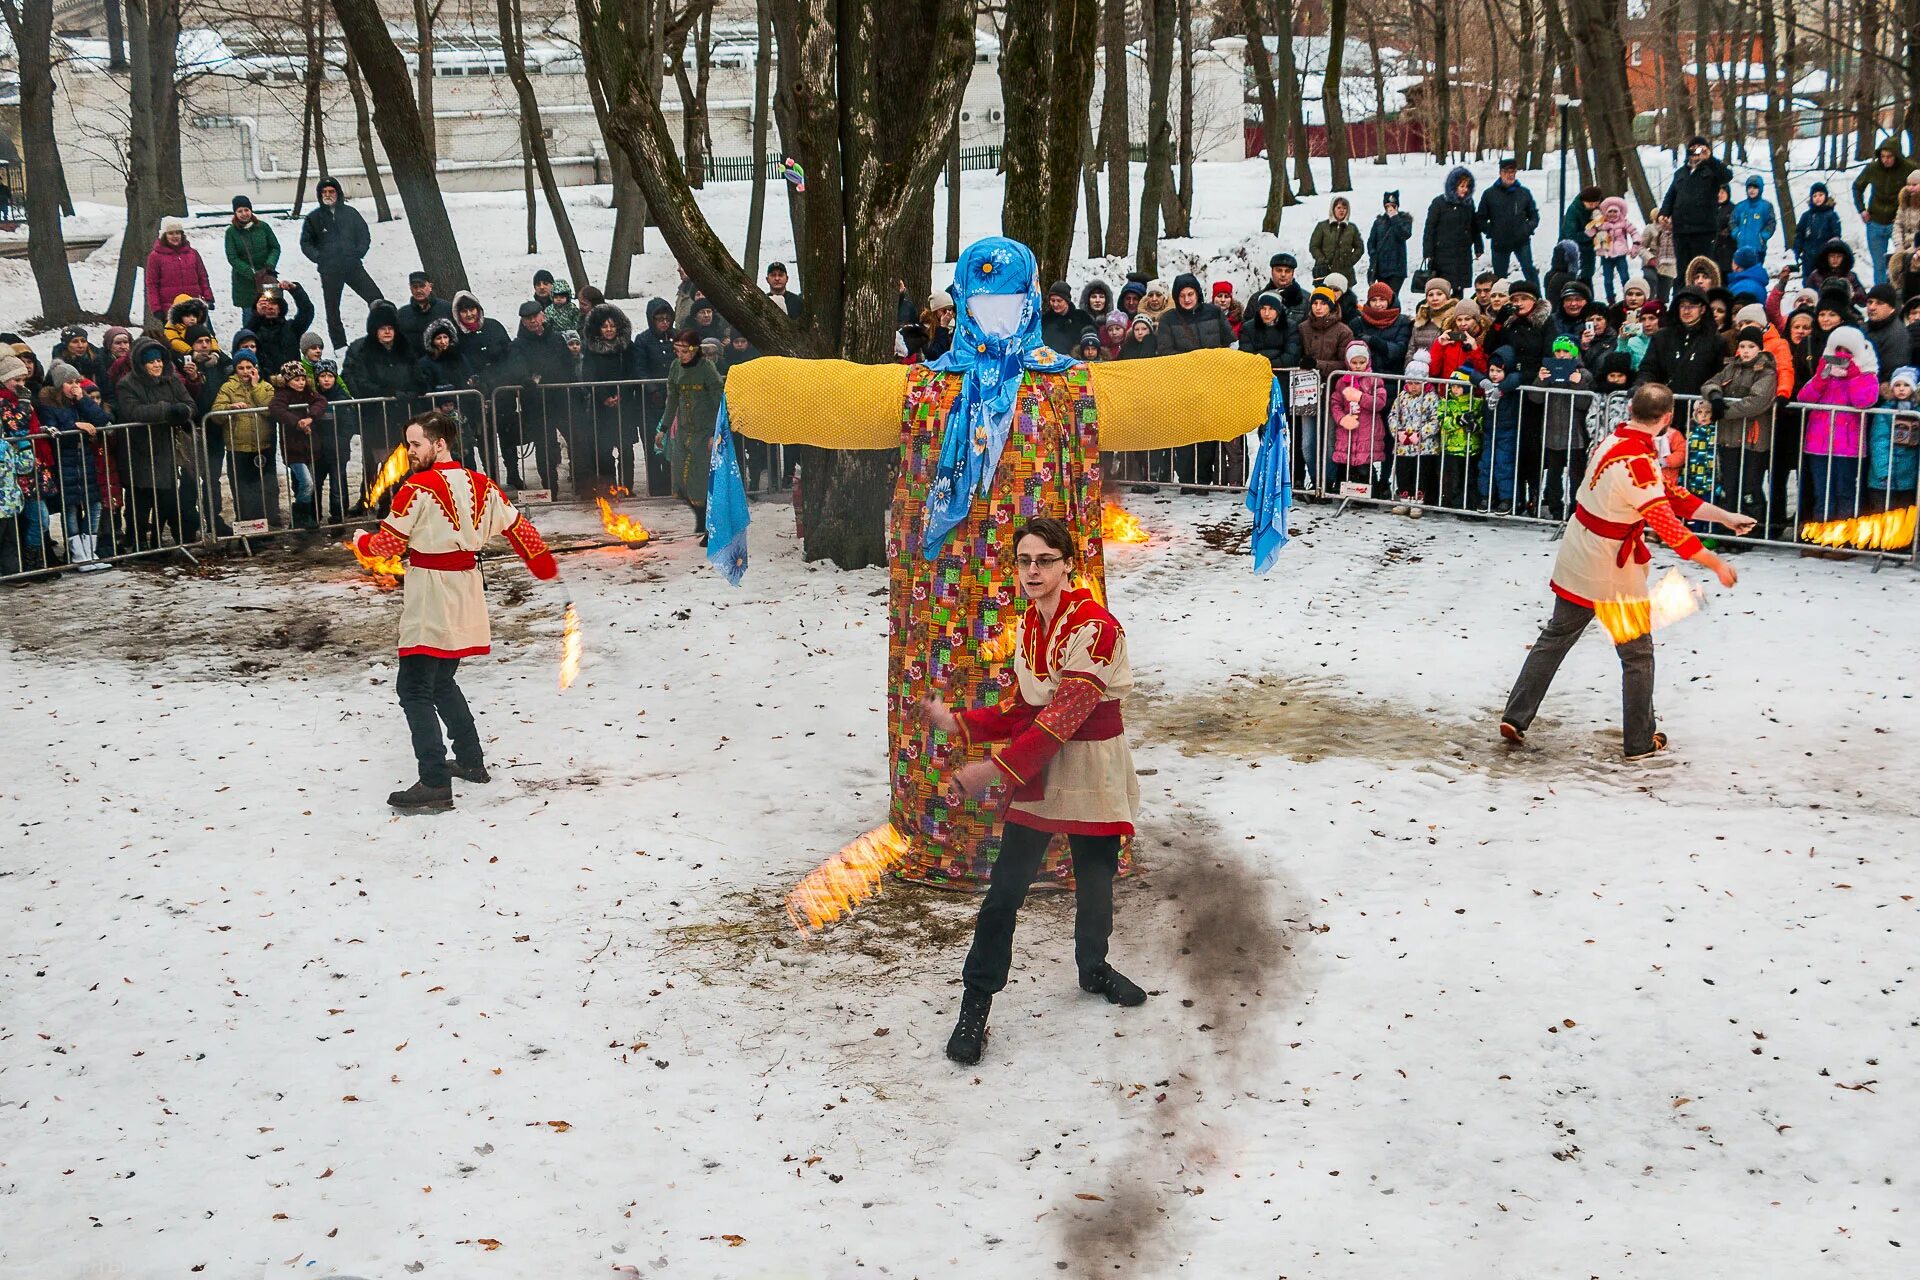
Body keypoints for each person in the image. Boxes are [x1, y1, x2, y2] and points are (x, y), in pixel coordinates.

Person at [924, 516, 1145, 1066]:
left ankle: (1093, 967)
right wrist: (961, 724)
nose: (1032, 571)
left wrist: (993, 770)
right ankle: (976, 1003)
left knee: (1095, 880)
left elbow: (1065, 715)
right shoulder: (1029, 623)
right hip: (1040, 768)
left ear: (1069, 565)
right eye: (1024, 560)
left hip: (1091, 767)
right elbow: (1026, 707)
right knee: (1005, 891)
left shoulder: (1096, 628)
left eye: (1045, 560)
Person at [1500, 383, 1749, 760]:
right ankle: (1639, 740)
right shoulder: (1639, 462)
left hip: (1579, 552)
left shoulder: (1613, 441)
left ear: (1631, 408)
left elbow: (1669, 496)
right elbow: (1668, 525)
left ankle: (1516, 716)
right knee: (1636, 654)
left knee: (1556, 636)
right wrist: (1716, 564)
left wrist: (1724, 517)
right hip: (1612, 568)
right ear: (1668, 418)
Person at [352, 411, 558, 812]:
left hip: (432, 596)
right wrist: (542, 564)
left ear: (440, 443)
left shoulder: (417, 488)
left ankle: (434, 782)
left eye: (416, 444)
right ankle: (470, 761)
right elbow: (520, 529)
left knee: (414, 688)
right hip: (466, 592)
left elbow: (385, 547)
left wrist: (361, 541)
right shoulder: (483, 484)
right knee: (442, 681)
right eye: (408, 444)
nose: (410, 452)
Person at [113, 337, 197, 550]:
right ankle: (138, 541)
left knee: (166, 497)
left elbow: (189, 403)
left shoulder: (171, 379)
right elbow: (133, 411)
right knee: (141, 500)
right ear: (141, 364)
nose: (157, 365)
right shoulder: (127, 384)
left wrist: (184, 411)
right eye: (151, 362)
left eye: (159, 360)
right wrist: (167, 410)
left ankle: (160, 541)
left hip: (166, 447)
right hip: (139, 449)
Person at [344, 300, 424, 507]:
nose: (387, 332)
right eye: (382, 328)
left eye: (390, 328)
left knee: (401, 460)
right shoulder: (363, 350)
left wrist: (411, 392)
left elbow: (418, 376)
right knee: (373, 461)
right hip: (375, 416)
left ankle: (396, 501)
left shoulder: (405, 348)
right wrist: (384, 392)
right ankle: (369, 499)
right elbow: (357, 380)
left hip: (402, 415)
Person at [1696, 326, 1778, 526]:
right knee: (1729, 486)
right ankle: (1727, 529)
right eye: (1742, 346)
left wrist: (1722, 411)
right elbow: (1709, 383)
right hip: (1729, 438)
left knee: (1750, 487)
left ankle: (1753, 528)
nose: (1746, 351)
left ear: (1759, 348)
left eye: (1751, 346)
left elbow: (1757, 401)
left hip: (1753, 439)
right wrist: (1715, 396)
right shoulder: (1731, 367)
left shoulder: (1766, 372)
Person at [1799, 325, 1880, 525]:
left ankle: (1843, 536)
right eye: (1838, 350)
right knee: (1822, 494)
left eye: (1848, 351)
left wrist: (1854, 376)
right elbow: (1804, 397)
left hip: (1847, 448)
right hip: (1818, 445)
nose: (1842, 355)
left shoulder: (1867, 374)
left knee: (1845, 493)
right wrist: (1821, 378)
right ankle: (1821, 535)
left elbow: (1864, 401)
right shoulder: (1825, 374)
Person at [36, 361, 114, 571]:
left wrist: (83, 400)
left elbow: (101, 419)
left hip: (85, 460)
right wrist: (75, 426)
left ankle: (90, 551)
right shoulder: (47, 403)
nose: (74, 386)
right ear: (59, 384)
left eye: (77, 382)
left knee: (94, 504)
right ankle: (78, 554)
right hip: (65, 461)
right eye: (69, 382)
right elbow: (52, 430)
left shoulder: (80, 401)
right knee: (70, 508)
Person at [656, 329, 725, 544]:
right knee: (681, 482)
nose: (680, 355)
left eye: (684, 351)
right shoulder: (675, 367)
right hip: (684, 431)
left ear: (695, 350)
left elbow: (719, 402)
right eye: (677, 351)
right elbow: (672, 399)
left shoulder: (707, 369)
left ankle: (710, 528)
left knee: (700, 482)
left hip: (704, 433)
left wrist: (716, 433)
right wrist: (663, 428)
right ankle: (700, 519)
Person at [300, 177, 381, 349]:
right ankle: (340, 346)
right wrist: (319, 257)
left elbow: (364, 235)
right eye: (324, 192)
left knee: (377, 300)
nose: (328, 195)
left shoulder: (351, 214)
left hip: (352, 266)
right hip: (329, 270)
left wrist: (359, 252)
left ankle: (381, 336)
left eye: (331, 191)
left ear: (338, 193)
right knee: (332, 310)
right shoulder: (314, 218)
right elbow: (306, 243)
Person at [509, 300, 575, 494]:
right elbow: (518, 369)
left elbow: (568, 365)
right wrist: (527, 379)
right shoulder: (519, 345)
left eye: (535, 316)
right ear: (523, 321)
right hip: (536, 403)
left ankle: (581, 481)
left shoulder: (556, 339)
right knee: (544, 447)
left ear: (542, 316)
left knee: (576, 439)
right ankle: (550, 487)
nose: (533, 321)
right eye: (528, 318)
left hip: (561, 399)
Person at [580, 301, 639, 497]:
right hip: (601, 407)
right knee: (604, 450)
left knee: (626, 449)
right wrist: (604, 396)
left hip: (624, 404)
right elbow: (588, 375)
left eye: (612, 326)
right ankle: (610, 486)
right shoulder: (591, 349)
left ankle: (627, 487)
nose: (609, 330)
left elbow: (633, 372)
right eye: (605, 326)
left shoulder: (627, 347)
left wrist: (622, 393)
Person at [214, 351, 280, 527]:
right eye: (241, 368)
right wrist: (230, 408)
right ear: (235, 369)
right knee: (243, 492)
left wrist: (256, 387)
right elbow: (216, 413)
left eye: (249, 367)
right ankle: (247, 529)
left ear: (255, 368)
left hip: (262, 446)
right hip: (238, 448)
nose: (245, 371)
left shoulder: (266, 387)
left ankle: (263, 529)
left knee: (262, 491)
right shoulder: (228, 388)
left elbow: (271, 409)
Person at [1659, 138, 1734, 272]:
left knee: (1701, 269)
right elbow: (1671, 195)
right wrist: (1664, 213)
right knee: (1683, 270)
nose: (1696, 151)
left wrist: (1710, 159)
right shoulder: (1680, 173)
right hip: (1681, 231)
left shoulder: (1712, 170)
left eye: (1700, 147)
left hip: (1703, 231)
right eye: (1693, 147)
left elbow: (1727, 176)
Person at [269, 361, 327, 530]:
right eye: (296, 380)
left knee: (310, 483)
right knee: (307, 483)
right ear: (287, 381)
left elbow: (321, 401)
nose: (301, 382)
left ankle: (302, 517)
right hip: (293, 448)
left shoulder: (308, 392)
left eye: (302, 379)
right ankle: (300, 514)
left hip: (310, 447)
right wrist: (297, 422)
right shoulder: (282, 394)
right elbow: (275, 408)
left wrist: (310, 417)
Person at [1852, 139, 1918, 287]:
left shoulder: (1908, 167)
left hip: (1898, 220)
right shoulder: (1873, 168)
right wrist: (1861, 209)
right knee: (1879, 264)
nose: (1885, 160)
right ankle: (1881, 293)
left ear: (1896, 155)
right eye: (1882, 156)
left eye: (1889, 156)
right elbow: (1857, 186)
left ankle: (1901, 290)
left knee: (1903, 261)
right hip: (1875, 220)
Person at [1638, 287, 1725, 395]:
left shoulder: (1715, 340)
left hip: (1699, 402)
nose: (1686, 311)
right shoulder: (1662, 337)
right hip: (1664, 400)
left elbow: (1719, 375)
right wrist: (1641, 384)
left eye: (1692, 306)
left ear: (1702, 309)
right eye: (1682, 306)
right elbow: (1648, 368)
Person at [1328, 341, 1389, 495]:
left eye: (1361, 362)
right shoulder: (1343, 381)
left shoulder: (1374, 379)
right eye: (1354, 363)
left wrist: (1361, 397)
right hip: (1347, 431)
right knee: (1346, 463)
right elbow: (1335, 403)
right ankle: (1347, 491)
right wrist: (1342, 419)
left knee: (1364, 465)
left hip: (1367, 431)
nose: (1358, 366)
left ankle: (1369, 493)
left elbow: (1380, 402)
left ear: (1368, 361)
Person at [1388, 353, 1441, 513]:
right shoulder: (1402, 396)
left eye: (1417, 383)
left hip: (1424, 446)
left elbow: (1436, 420)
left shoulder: (1431, 398)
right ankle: (1404, 498)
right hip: (1403, 444)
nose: (1413, 387)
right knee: (1403, 472)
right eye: (1410, 382)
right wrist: (1398, 432)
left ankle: (1418, 501)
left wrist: (1421, 434)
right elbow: (1393, 415)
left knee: (1421, 473)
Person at [1479, 158, 1542, 288]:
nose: (1510, 175)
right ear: (1500, 173)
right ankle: (1500, 298)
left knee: (1529, 271)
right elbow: (1480, 218)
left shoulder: (1524, 193)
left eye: (1512, 171)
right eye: (1506, 172)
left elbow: (1534, 216)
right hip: (1500, 242)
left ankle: (1537, 296)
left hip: (1521, 240)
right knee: (1499, 278)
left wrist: (1527, 229)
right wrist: (1492, 232)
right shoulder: (1489, 194)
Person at [1866, 365, 1919, 513]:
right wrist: (1883, 473)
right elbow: (1879, 442)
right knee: (1882, 515)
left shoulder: (1917, 412)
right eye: (1897, 385)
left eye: (1906, 385)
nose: (1901, 389)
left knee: (1904, 516)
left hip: (1908, 477)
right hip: (1882, 479)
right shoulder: (1885, 411)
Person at [144, 218, 214, 326]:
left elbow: (202, 277)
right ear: (164, 235)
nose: (175, 236)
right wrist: (156, 308)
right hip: (170, 309)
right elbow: (152, 284)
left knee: (202, 335)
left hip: (194, 307)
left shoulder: (193, 254)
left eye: (178, 233)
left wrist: (208, 297)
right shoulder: (155, 257)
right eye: (171, 233)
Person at [224, 196, 281, 327]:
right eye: (240, 211)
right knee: (250, 316)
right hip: (245, 281)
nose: (244, 214)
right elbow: (232, 257)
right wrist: (250, 272)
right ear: (235, 213)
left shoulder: (263, 227)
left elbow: (275, 247)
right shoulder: (231, 232)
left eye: (246, 210)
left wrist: (270, 264)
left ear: (251, 210)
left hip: (267, 277)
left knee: (271, 311)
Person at [312, 359, 357, 526]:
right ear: (317, 378)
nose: (326, 379)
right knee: (316, 484)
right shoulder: (313, 397)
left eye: (330, 376)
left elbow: (348, 425)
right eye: (322, 376)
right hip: (318, 450)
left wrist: (341, 441)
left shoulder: (342, 397)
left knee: (338, 485)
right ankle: (314, 515)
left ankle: (338, 517)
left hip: (338, 449)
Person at [1423, 167, 1481, 295]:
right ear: (1453, 186)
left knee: (1459, 287)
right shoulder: (1439, 203)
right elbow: (1430, 228)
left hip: (1462, 254)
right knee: (1442, 287)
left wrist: (1478, 246)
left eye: (1467, 186)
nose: (1465, 190)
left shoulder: (1468, 204)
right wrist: (1428, 251)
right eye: (1462, 186)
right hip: (1442, 254)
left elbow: (1474, 226)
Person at [248, 281, 317, 374]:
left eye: (274, 303)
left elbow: (307, 312)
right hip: (264, 380)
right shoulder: (253, 330)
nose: (269, 307)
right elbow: (242, 343)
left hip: (293, 378)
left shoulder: (291, 328)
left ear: (280, 307)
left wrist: (295, 290)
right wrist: (257, 315)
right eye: (265, 304)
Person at [1157, 273, 1236, 353]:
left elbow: (1230, 343)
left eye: (1190, 294)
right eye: (1182, 296)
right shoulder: (1168, 319)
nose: (1186, 299)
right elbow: (1165, 351)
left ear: (1197, 293)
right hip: (1183, 361)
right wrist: (1192, 358)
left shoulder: (1214, 312)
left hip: (1215, 360)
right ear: (1176, 297)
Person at [1353, 282, 1411, 375]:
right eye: (1373, 300)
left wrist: (1377, 342)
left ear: (1389, 300)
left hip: (1392, 376)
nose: (1378, 304)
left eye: (1382, 299)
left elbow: (1400, 351)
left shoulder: (1402, 322)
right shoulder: (1358, 322)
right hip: (1364, 375)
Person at [1592, 197, 1643, 304]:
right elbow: (1590, 232)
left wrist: (1635, 245)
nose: (1612, 214)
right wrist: (1594, 226)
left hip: (1620, 254)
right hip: (1606, 255)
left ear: (1619, 212)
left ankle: (1628, 298)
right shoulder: (1601, 223)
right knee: (1608, 280)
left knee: (1625, 278)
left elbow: (1634, 232)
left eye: (1615, 211)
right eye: (1610, 211)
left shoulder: (1624, 222)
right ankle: (1611, 301)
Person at [1792, 184, 1844, 284]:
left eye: (1820, 195)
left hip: (1825, 255)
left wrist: (1832, 250)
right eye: (1815, 196)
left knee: (1826, 280)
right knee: (1808, 281)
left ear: (1826, 196)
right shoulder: (1806, 216)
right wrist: (1798, 250)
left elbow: (1836, 234)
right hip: (1808, 256)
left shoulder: (1831, 215)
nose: (1818, 198)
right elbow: (1799, 234)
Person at [394, 270, 454, 354]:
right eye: (415, 287)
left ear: (430, 286)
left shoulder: (446, 309)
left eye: (422, 286)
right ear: (410, 288)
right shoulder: (403, 314)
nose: (418, 290)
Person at [1309, 196, 1364, 284]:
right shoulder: (1322, 226)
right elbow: (1314, 246)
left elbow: (1360, 248)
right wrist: (1322, 260)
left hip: (1346, 273)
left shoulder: (1352, 228)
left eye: (1344, 208)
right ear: (1333, 209)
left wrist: (1350, 261)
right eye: (1339, 208)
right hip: (1324, 272)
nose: (1342, 210)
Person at [1807, 238, 1868, 307]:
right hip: (1821, 310)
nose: (1835, 259)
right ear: (1825, 257)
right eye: (1832, 256)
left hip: (1845, 310)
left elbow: (1863, 300)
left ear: (1845, 258)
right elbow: (1807, 296)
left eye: (1839, 256)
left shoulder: (1850, 276)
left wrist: (1852, 295)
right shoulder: (1816, 275)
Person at [1729, 176, 1777, 265]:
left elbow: (1771, 223)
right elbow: (1732, 222)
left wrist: (1762, 236)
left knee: (1755, 270)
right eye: (1750, 187)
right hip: (1741, 248)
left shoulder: (1766, 206)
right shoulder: (1740, 206)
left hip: (1758, 249)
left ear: (1760, 189)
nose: (1752, 190)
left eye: (1755, 187)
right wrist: (1737, 234)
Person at [1409, 277, 1458, 358]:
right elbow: (1411, 348)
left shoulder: (1455, 319)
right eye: (1430, 295)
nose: (1435, 298)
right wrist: (1409, 364)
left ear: (1447, 296)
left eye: (1439, 294)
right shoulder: (1421, 318)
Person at [1041, 281, 1094, 354]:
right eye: (1052, 301)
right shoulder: (1045, 320)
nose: (1055, 304)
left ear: (1067, 300)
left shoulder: (1082, 317)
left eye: (1059, 301)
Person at [1259, 253, 1311, 327]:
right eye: (1279, 270)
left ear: (1293, 273)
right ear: (1272, 272)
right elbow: (1249, 328)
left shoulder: (1307, 300)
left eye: (1287, 271)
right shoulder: (1257, 298)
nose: (1283, 274)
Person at [1642, 214, 1679, 304]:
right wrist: (1650, 258)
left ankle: (1660, 308)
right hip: (1651, 263)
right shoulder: (1651, 228)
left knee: (1663, 296)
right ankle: (1648, 304)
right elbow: (1640, 247)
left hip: (1669, 264)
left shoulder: (1679, 231)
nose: (1667, 221)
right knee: (1651, 280)